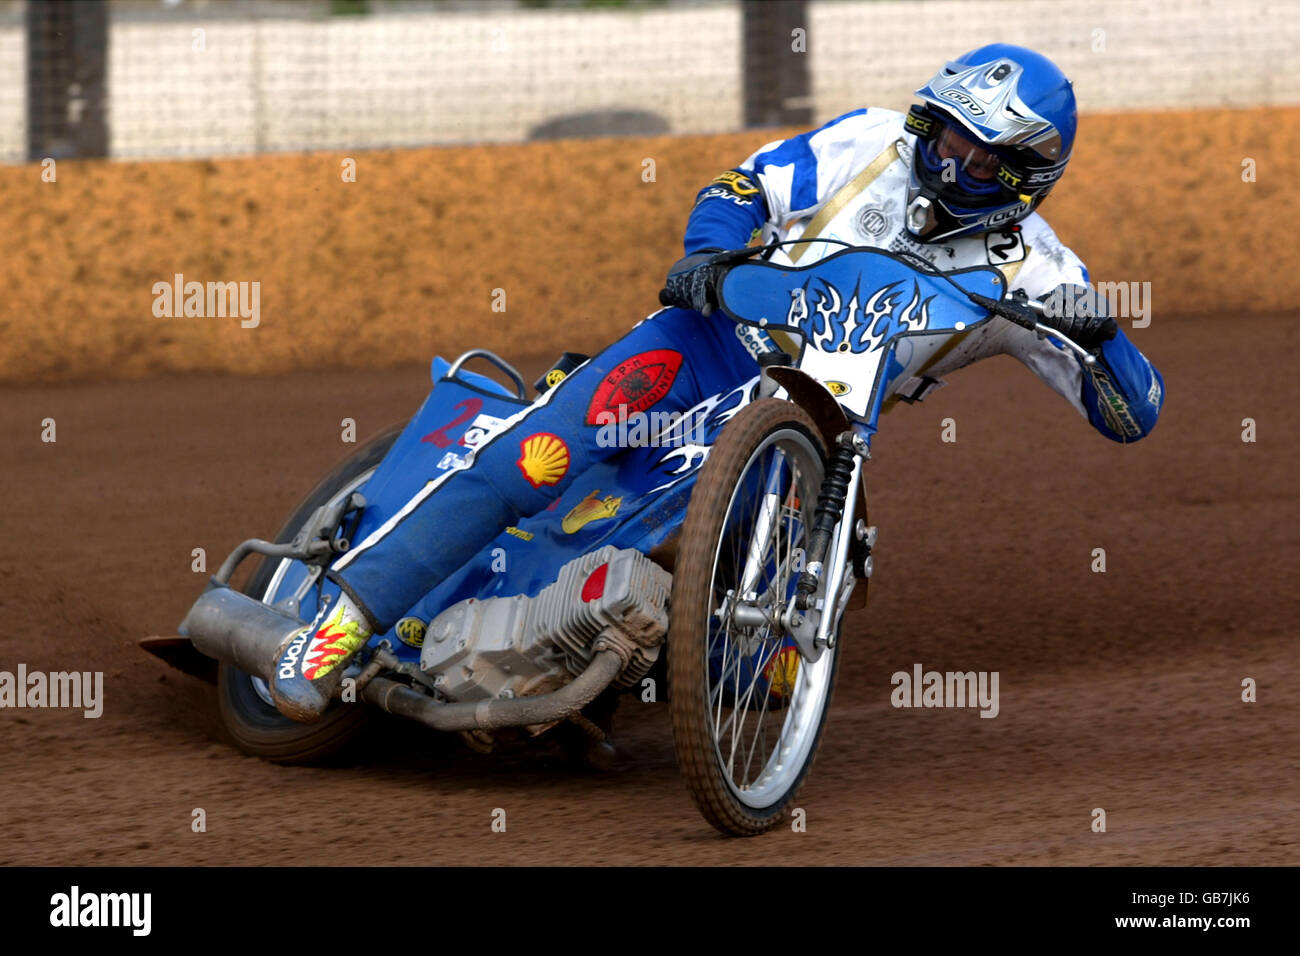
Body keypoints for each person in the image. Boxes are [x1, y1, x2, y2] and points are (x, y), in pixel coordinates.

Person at [270, 42, 1163, 723]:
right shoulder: (867, 140)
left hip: (820, 423)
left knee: (762, 669)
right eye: (944, 137)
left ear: (1023, 180)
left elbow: (1134, 412)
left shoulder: (1043, 276)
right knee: (538, 458)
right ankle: (347, 617)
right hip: (711, 337)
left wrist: (1103, 334)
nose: (948, 165)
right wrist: (710, 253)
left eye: (981, 161)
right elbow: (746, 184)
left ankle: (614, 659)